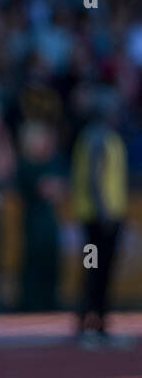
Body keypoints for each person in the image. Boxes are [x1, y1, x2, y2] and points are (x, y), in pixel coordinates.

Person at [71, 101, 128, 345]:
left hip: (98, 218)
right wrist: (104, 212)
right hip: (99, 220)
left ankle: (92, 321)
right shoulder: (99, 138)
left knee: (95, 270)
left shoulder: (95, 137)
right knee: (97, 271)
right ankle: (92, 323)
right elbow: (94, 178)